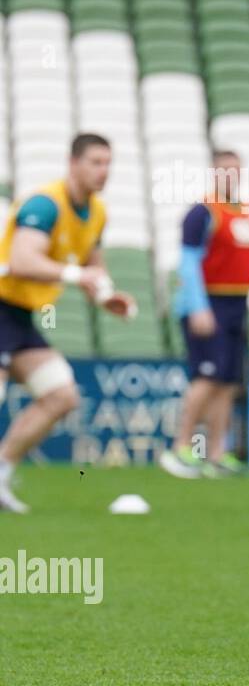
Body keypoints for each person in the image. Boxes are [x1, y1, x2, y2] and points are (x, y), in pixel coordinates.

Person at [0, 133, 135, 511]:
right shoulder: (45, 204)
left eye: (108, 163)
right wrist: (78, 278)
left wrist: (108, 297)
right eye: (95, 162)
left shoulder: (97, 212)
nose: (103, 171)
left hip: (20, 315)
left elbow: (95, 266)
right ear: (72, 163)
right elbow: (24, 260)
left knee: (61, 396)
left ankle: (1, 475)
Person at [160, 150, 249, 478]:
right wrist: (198, 307)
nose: (231, 177)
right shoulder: (201, 214)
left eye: (236, 171)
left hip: (237, 304)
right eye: (225, 171)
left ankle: (217, 452)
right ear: (214, 174)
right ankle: (181, 446)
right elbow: (188, 263)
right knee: (206, 377)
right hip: (208, 303)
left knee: (227, 382)